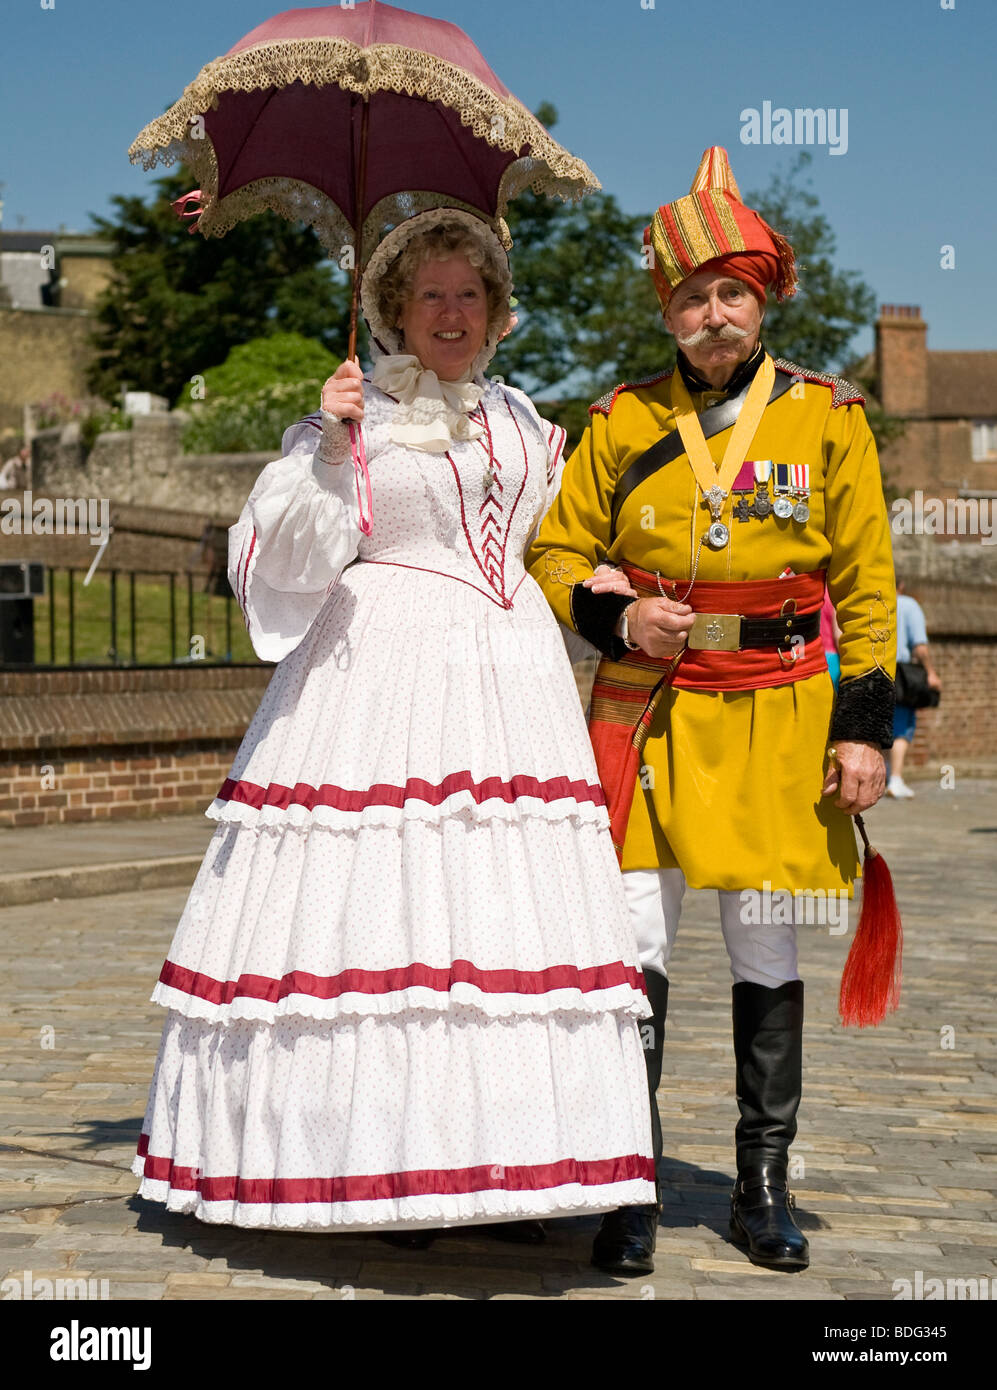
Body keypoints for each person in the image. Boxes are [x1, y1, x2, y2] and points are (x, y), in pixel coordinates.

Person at [132, 208, 656, 1243]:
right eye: (430, 296)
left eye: (471, 294)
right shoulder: (350, 413)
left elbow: (555, 541)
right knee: (387, 923)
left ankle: (501, 1168)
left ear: (500, 314)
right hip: (381, 680)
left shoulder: (526, 422)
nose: (451, 313)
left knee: (497, 928)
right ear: (392, 309)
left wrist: (601, 577)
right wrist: (329, 446)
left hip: (512, 685)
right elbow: (275, 559)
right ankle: (381, 1165)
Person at [527, 148, 897, 1275]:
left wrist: (863, 728)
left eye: (730, 291)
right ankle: (625, 1181)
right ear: (668, 309)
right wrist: (615, 618)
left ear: (763, 296)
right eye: (691, 295)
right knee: (633, 936)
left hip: (781, 711)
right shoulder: (616, 421)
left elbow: (867, 583)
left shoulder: (829, 418)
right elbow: (553, 550)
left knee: (763, 939)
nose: (712, 312)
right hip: (649, 709)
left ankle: (761, 1184)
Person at [888, 579, 941, 798]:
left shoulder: (876, 602)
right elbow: (919, 646)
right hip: (903, 672)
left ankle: (885, 777)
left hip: (876, 668)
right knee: (902, 725)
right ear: (901, 585)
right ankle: (896, 779)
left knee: (883, 723)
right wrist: (930, 672)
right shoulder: (908, 605)